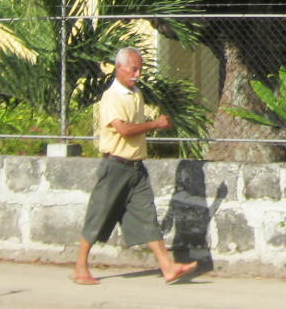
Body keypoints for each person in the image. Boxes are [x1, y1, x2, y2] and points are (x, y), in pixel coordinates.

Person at [72, 47, 199, 286]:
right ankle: (80, 268)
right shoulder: (112, 97)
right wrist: (155, 124)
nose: (137, 74)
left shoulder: (135, 93)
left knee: (148, 216)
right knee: (98, 215)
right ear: (119, 68)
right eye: (134, 69)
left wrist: (158, 121)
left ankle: (168, 267)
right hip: (115, 166)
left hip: (136, 168)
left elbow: (137, 123)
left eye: (140, 69)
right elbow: (125, 129)